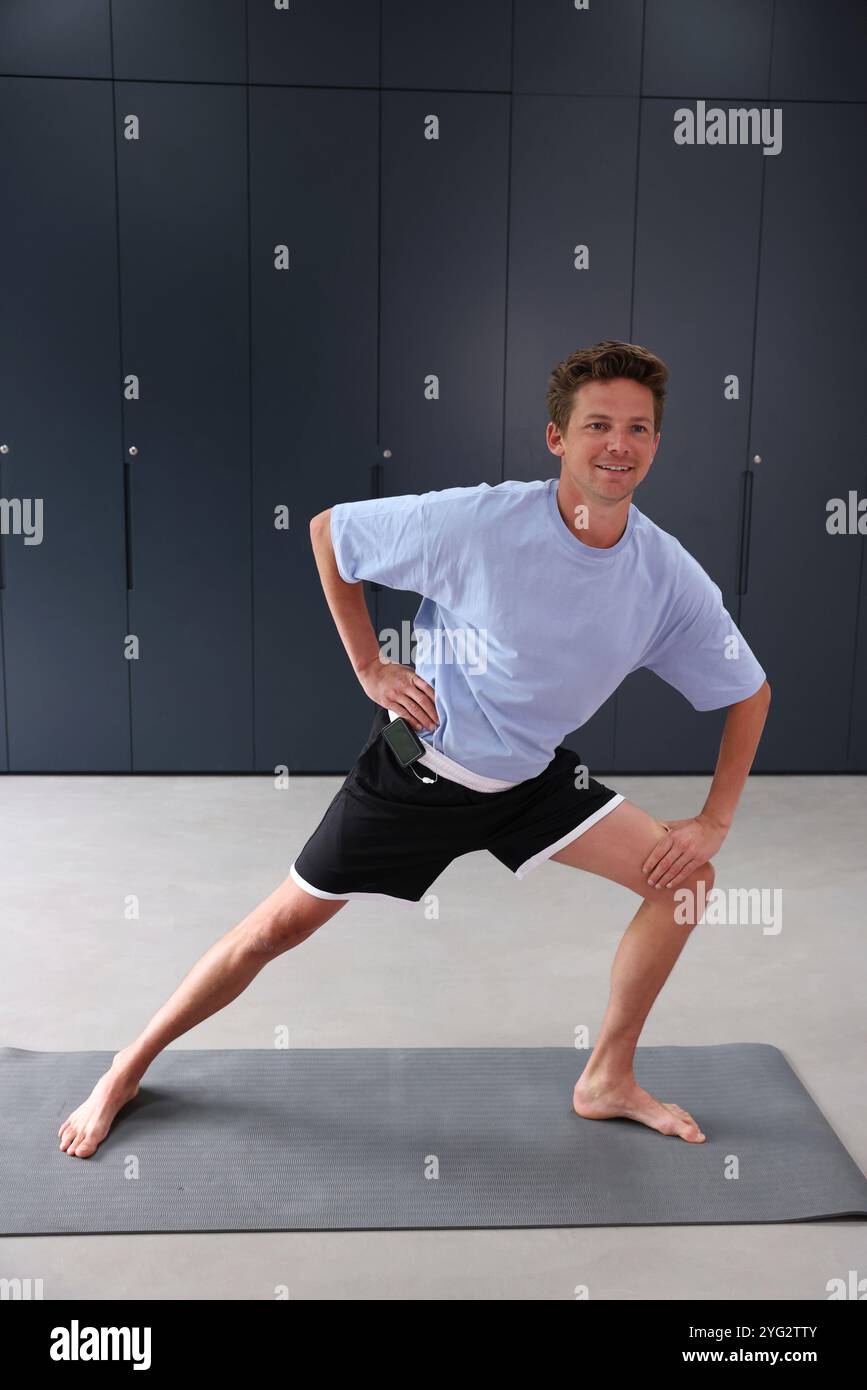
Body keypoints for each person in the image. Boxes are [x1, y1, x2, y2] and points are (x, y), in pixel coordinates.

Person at [58, 340, 770, 1158]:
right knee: (273, 931)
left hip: (531, 781)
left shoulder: (663, 573)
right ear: (556, 439)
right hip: (417, 775)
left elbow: (747, 690)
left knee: (685, 881)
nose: (618, 444)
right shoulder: (481, 522)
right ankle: (127, 1066)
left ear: (655, 443)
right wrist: (369, 665)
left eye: (637, 428)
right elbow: (331, 534)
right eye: (597, 425)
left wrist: (713, 820)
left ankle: (606, 1078)